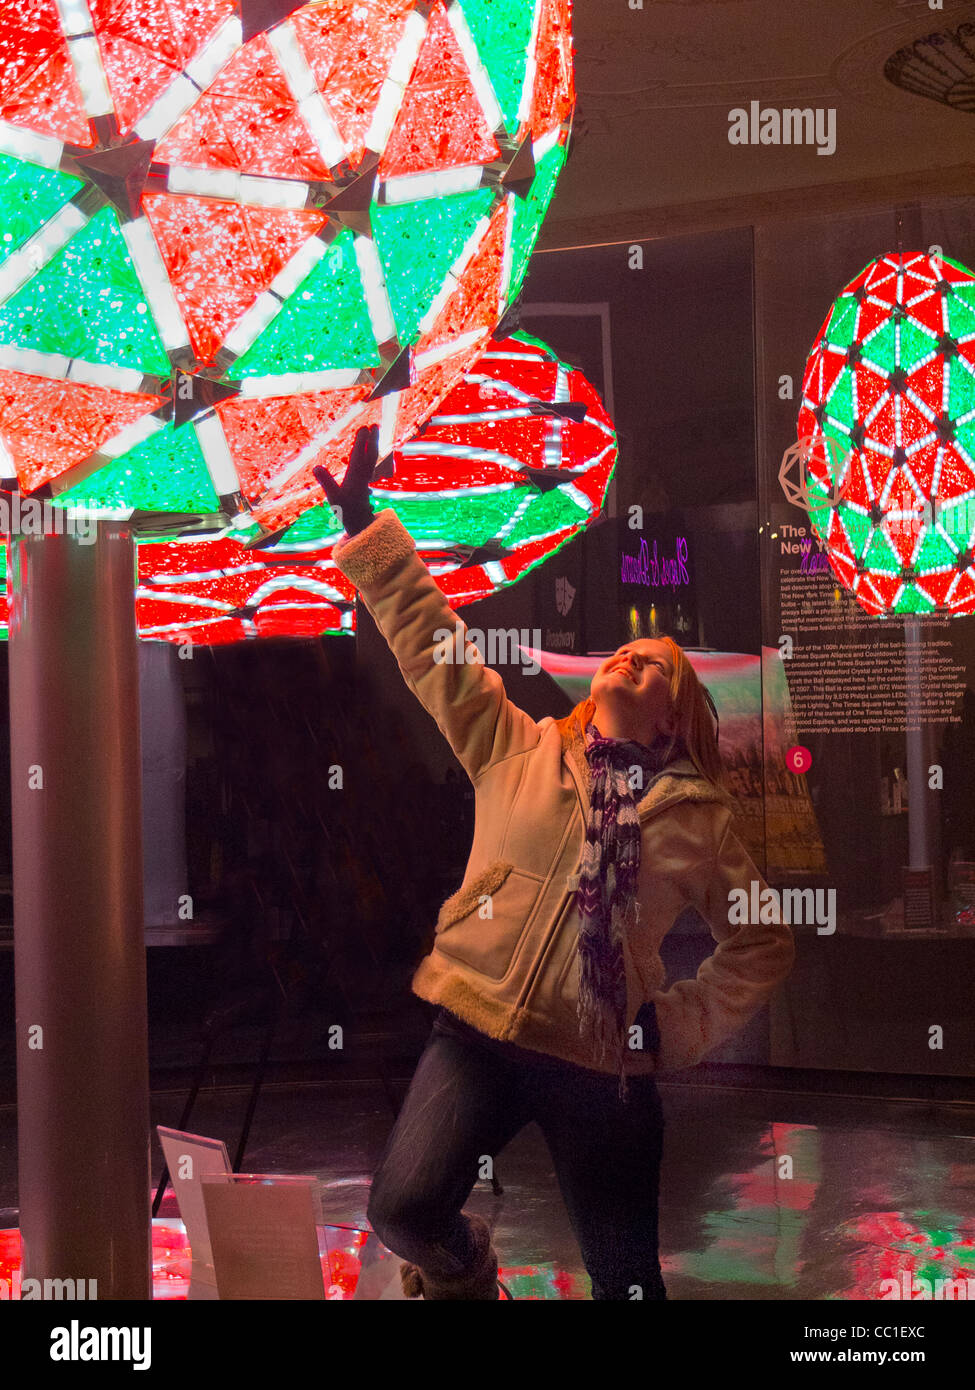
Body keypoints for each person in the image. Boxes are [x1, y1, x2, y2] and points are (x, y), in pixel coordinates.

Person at [316, 427, 795, 1301]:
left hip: (602, 1067)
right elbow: (436, 652)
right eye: (627, 651)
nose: (630, 656)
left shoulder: (698, 818)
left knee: (626, 1286)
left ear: (669, 727)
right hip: (477, 1033)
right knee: (402, 1215)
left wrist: (675, 1026)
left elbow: (761, 945)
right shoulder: (517, 749)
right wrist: (365, 528)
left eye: (653, 667)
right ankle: (469, 1269)